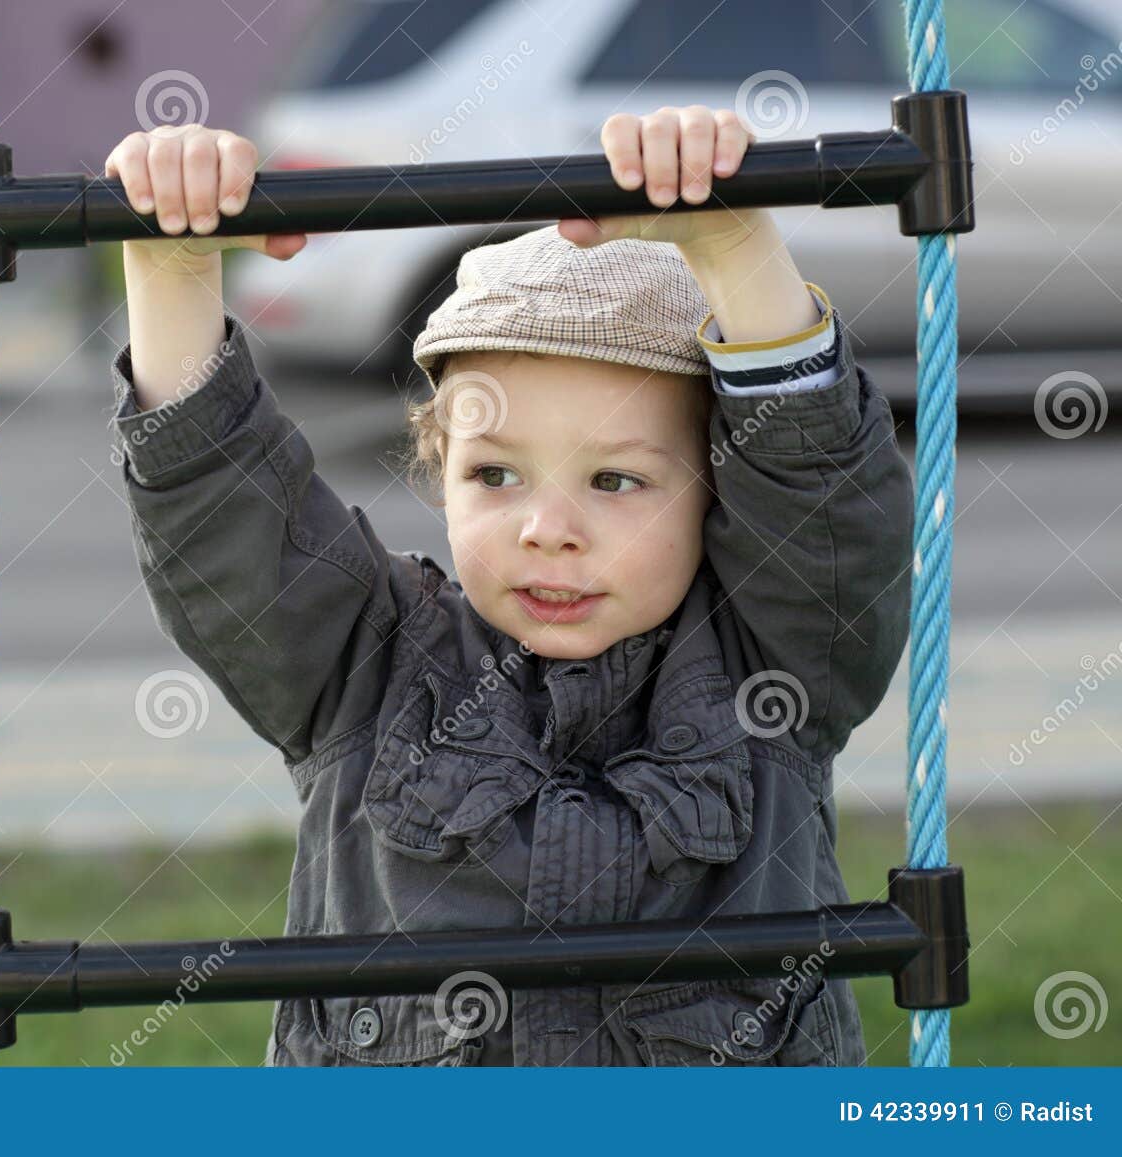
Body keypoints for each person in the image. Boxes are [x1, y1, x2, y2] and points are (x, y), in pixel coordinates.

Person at [103, 104, 913, 1066]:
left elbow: (821, 502)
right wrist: (172, 268)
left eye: (617, 480)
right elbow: (226, 525)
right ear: (438, 472)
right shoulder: (363, 668)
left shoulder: (777, 662)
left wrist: (733, 245)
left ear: (719, 493)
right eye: (494, 473)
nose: (548, 529)